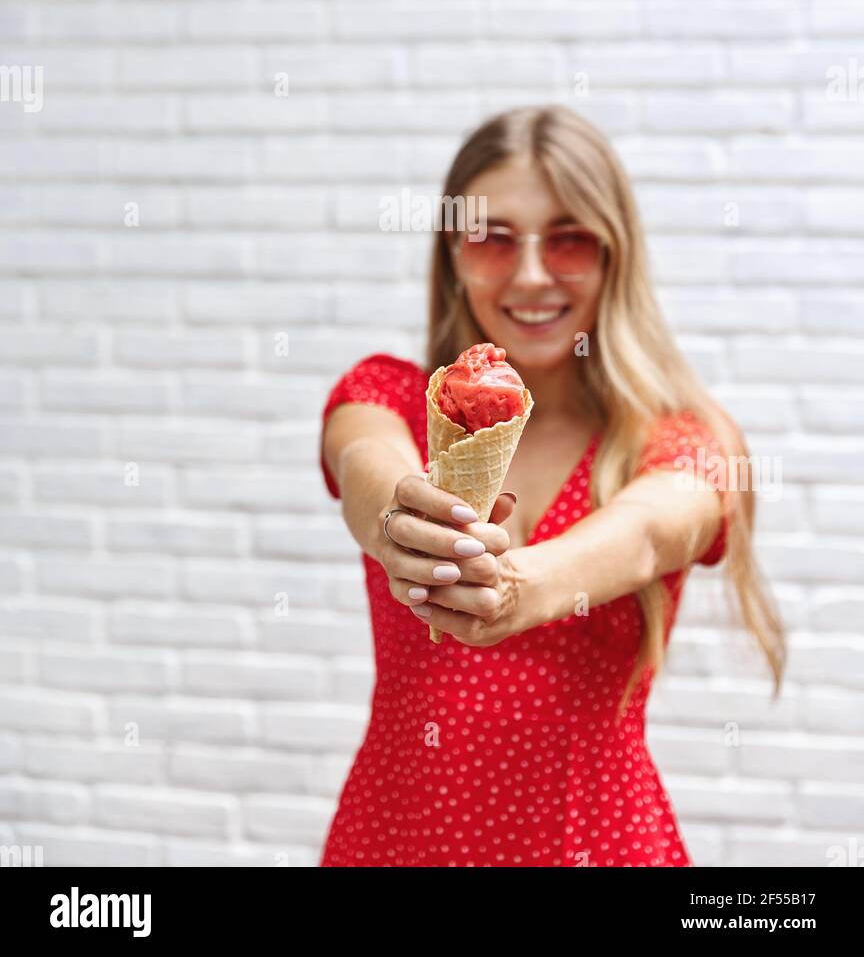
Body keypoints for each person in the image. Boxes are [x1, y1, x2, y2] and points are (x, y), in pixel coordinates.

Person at [318, 105, 785, 867]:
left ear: (613, 257)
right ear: (452, 256)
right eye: (493, 238)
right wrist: (401, 522)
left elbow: (646, 533)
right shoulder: (388, 396)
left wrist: (518, 589)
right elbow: (366, 463)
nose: (532, 274)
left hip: (595, 845)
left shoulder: (680, 441)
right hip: (393, 843)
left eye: (568, 238)